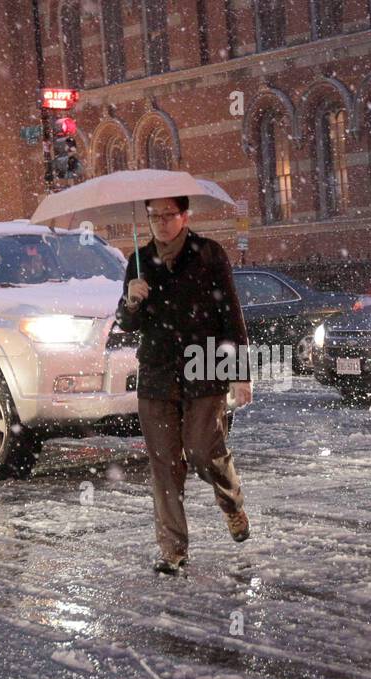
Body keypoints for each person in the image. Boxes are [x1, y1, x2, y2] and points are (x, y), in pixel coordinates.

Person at [115, 196, 252, 575]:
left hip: (205, 366)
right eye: (154, 216)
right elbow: (127, 323)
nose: (160, 222)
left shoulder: (208, 254)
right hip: (157, 374)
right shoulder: (138, 261)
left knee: (203, 452)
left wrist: (240, 372)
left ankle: (231, 502)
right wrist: (131, 302)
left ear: (184, 215)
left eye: (168, 214)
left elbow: (231, 313)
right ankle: (172, 551)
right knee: (165, 466)